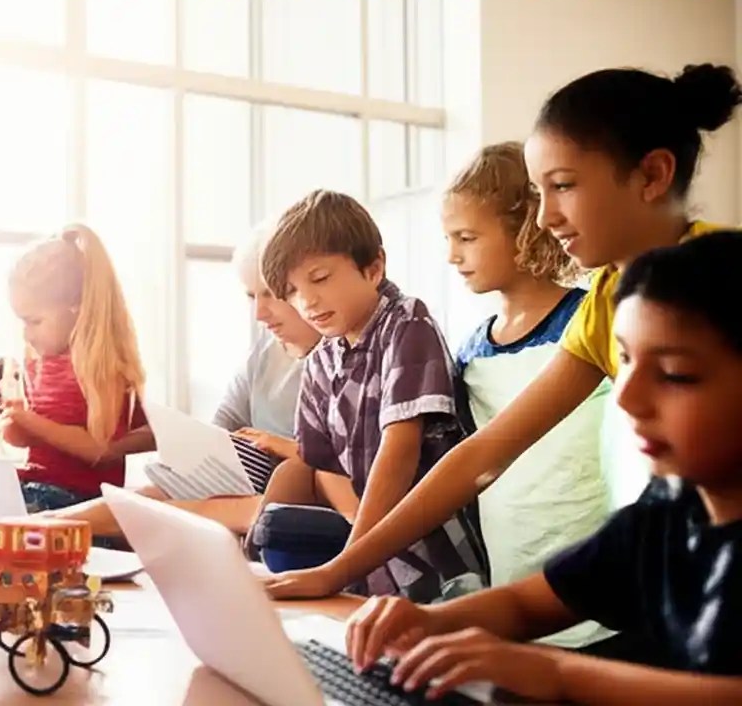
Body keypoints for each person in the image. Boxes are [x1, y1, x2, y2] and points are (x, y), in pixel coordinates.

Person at [262, 62, 742, 600]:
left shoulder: (724, 278)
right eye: (541, 193)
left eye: (563, 187)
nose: (544, 220)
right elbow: (481, 456)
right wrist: (340, 569)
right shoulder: (607, 298)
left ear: (652, 176)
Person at [341, 232, 742, 704]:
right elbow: (529, 603)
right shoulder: (668, 511)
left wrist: (558, 674)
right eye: (627, 359)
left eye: (676, 374)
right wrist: (428, 621)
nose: (628, 398)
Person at [251, 190, 484, 601]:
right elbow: (326, 466)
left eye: (320, 279)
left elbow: (401, 445)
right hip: (372, 559)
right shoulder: (322, 359)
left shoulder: (408, 323)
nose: (307, 301)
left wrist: (345, 563)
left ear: (374, 268)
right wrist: (356, 545)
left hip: (440, 560)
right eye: (291, 292)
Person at [50, 222, 324, 536]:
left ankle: (60, 525)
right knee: (155, 496)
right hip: (240, 490)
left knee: (156, 509)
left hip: (286, 505)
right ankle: (50, 525)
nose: (259, 313)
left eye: (271, 295)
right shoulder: (265, 352)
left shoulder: (340, 362)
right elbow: (220, 434)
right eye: (252, 297)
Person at [443, 142, 612, 646]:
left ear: (525, 229)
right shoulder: (470, 352)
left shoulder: (590, 322)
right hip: (514, 592)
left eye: (466, 237)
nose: (452, 255)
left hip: (598, 589)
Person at [0, 224, 155, 511]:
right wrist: (14, 426)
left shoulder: (99, 366)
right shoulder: (37, 361)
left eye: (35, 321)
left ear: (77, 307)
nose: (26, 335)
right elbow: (36, 444)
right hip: (37, 488)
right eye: (22, 322)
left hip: (80, 502)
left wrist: (32, 422)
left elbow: (98, 449)